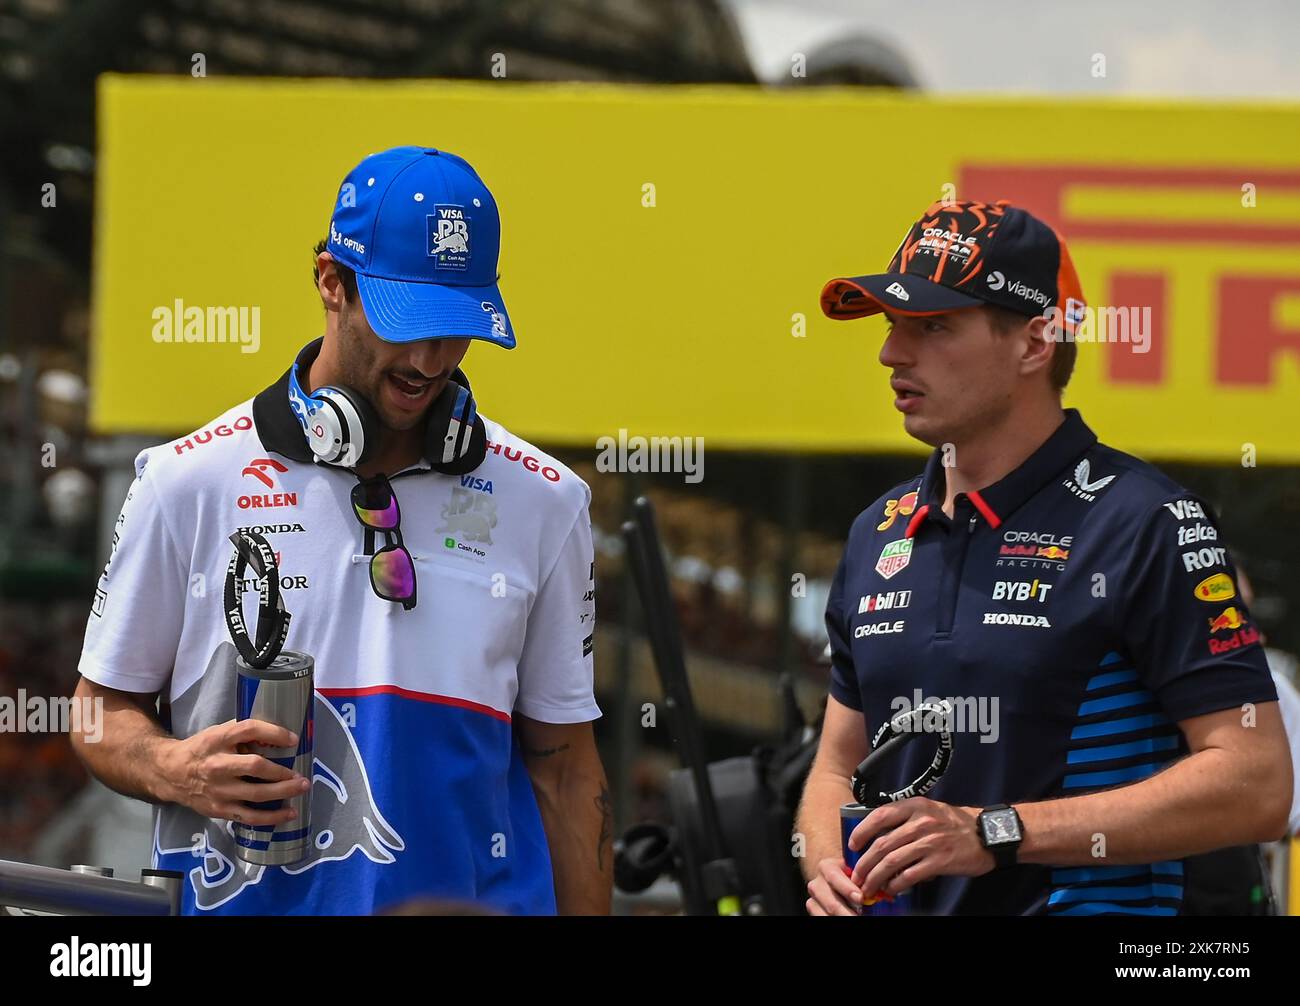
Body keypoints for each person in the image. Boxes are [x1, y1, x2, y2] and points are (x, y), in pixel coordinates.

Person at [69, 146, 611, 915]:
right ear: (330, 281)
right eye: (407, 321)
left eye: (455, 325)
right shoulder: (185, 481)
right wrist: (173, 767)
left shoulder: (547, 500)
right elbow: (97, 712)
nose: (430, 359)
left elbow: (566, 773)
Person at [799, 198, 1292, 916]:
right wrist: (827, 868)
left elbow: (1258, 784)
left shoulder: (1145, 522)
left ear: (1035, 344)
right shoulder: (878, 531)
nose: (892, 353)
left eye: (935, 326)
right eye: (891, 325)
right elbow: (835, 766)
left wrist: (997, 831)